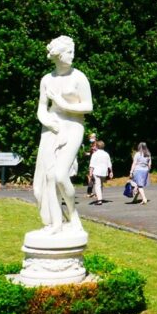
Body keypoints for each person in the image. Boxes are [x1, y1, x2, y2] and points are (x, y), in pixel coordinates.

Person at [33, 35, 93, 232]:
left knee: (60, 175)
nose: (72, 56)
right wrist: (47, 121)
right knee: (49, 177)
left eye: (72, 51)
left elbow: (88, 106)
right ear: (58, 55)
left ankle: (73, 215)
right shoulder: (46, 80)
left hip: (73, 125)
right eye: (69, 52)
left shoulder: (79, 77)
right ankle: (56, 223)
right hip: (52, 127)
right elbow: (42, 107)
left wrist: (62, 103)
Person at [88, 140, 113, 206]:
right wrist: (111, 172)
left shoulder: (95, 154)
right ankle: (100, 197)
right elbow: (109, 164)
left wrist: (90, 173)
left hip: (96, 171)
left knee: (97, 185)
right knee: (100, 185)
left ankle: (99, 200)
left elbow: (92, 165)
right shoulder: (106, 154)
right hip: (104, 172)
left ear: (97, 146)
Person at [85, 133, 98, 198]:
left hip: (97, 163)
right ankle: (90, 192)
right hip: (92, 163)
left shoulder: (97, 144)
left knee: (95, 178)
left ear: (95, 138)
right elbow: (91, 153)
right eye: (90, 138)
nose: (90, 139)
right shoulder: (92, 145)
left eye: (91, 137)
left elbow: (98, 153)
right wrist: (87, 153)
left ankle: (95, 193)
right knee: (91, 177)